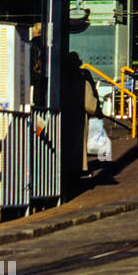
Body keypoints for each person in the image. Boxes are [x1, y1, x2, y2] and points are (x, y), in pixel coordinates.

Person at [62, 52, 100, 194]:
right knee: (77, 151)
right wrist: (97, 109)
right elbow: (89, 104)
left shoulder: (60, 80)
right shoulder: (82, 81)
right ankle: (75, 181)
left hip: (63, 119)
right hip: (78, 119)